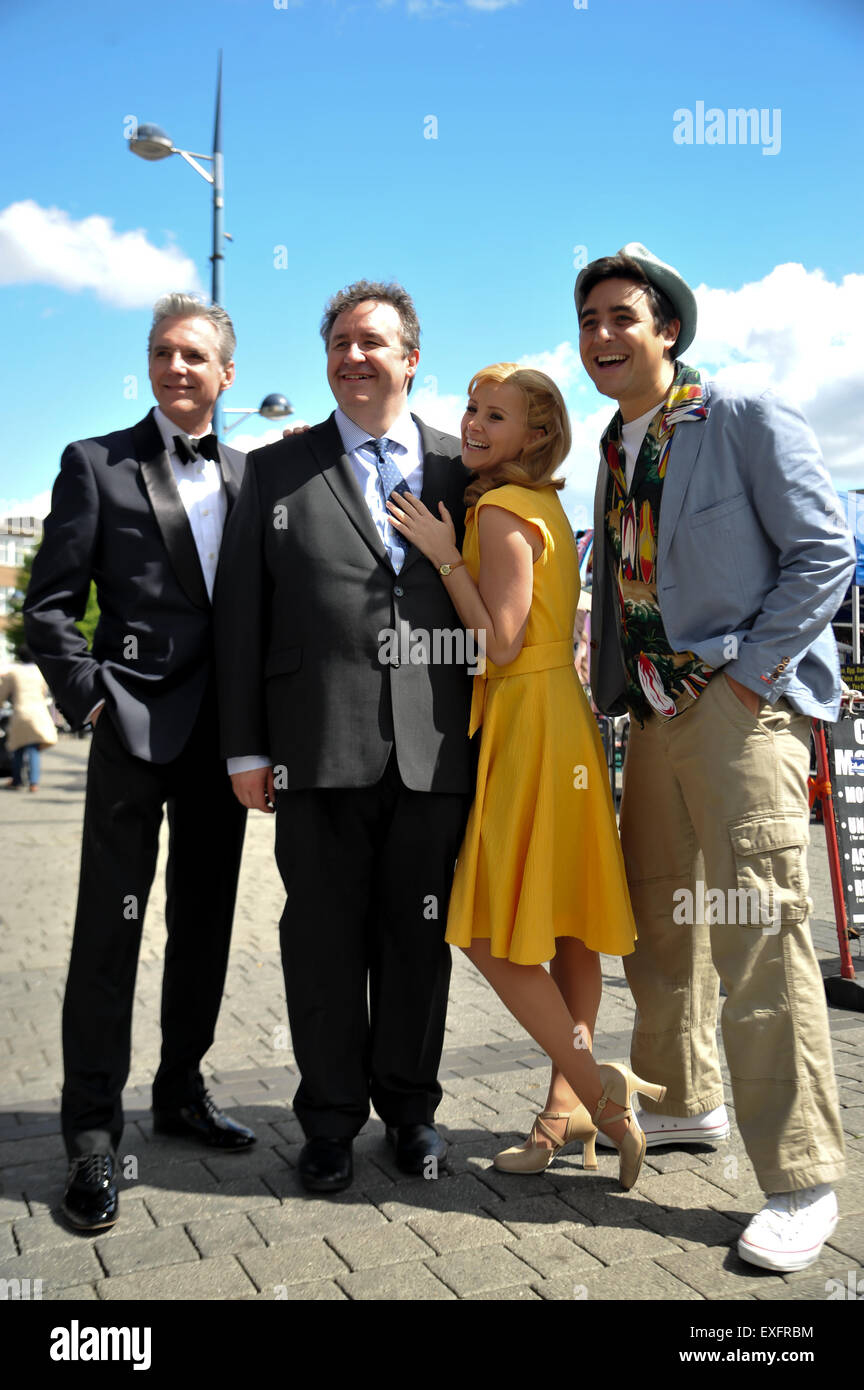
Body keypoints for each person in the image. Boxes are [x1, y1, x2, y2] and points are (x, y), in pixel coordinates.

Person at [576, 242, 853, 1270]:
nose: (602, 335)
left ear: (667, 331)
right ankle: (687, 1102)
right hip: (648, 716)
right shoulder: (611, 446)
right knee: (655, 928)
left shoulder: (738, 414)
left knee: (761, 937)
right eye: (590, 320)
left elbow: (824, 548)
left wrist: (752, 674)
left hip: (741, 710)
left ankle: (802, 1178)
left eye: (622, 318)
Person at [216, 280, 474, 1194]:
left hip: (437, 751)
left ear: (411, 359)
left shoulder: (464, 468)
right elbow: (242, 613)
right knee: (321, 942)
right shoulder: (274, 470)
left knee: (418, 940)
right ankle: (327, 1120)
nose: (352, 357)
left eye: (373, 342)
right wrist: (245, 746)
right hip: (316, 747)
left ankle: (412, 1112)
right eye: (338, 344)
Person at [387, 363, 663, 1191]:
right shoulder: (541, 501)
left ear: (536, 434)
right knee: (570, 922)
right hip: (557, 718)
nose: (472, 422)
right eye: (471, 408)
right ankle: (561, 1115)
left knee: (481, 929)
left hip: (526, 717)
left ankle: (593, 1087)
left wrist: (442, 557)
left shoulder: (504, 508)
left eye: (494, 414)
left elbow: (498, 642)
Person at [24, 293, 253, 1233]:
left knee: (205, 924)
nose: (176, 367)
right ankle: (89, 1134)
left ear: (225, 373)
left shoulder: (253, 474)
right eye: (163, 353)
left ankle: (180, 1093)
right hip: (131, 732)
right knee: (108, 933)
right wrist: (91, 700)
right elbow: (48, 607)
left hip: (222, 742)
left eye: (195, 355)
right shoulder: (96, 463)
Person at [0, 644, 57, 790]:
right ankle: (34, 782)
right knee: (33, 748)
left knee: (18, 747)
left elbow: (3, 693)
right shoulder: (39, 672)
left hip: (20, 712)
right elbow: (45, 691)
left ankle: (17, 780)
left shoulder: (14, 672)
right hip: (38, 712)